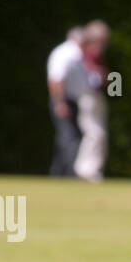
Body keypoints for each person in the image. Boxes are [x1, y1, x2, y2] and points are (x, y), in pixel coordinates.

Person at [73, 20, 111, 183]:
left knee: (96, 133)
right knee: (95, 133)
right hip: (89, 96)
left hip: (92, 96)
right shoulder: (88, 53)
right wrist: (104, 75)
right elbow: (94, 75)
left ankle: (88, 169)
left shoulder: (90, 52)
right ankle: (86, 169)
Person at [46, 26, 86, 176]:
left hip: (69, 100)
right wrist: (59, 102)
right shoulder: (68, 53)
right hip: (64, 100)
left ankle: (59, 173)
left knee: (67, 137)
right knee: (69, 137)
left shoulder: (71, 53)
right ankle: (68, 173)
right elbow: (56, 79)